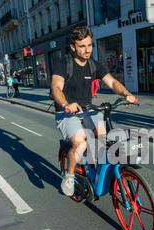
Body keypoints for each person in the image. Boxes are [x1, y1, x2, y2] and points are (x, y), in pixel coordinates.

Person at [51, 26, 138, 197]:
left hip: (88, 109)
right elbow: (56, 87)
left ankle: (95, 169)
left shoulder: (94, 65)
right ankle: (68, 176)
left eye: (90, 45)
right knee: (81, 142)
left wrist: (127, 94)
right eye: (82, 46)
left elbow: (112, 83)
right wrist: (66, 103)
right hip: (66, 112)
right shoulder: (64, 64)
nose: (87, 50)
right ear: (73, 47)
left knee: (104, 138)